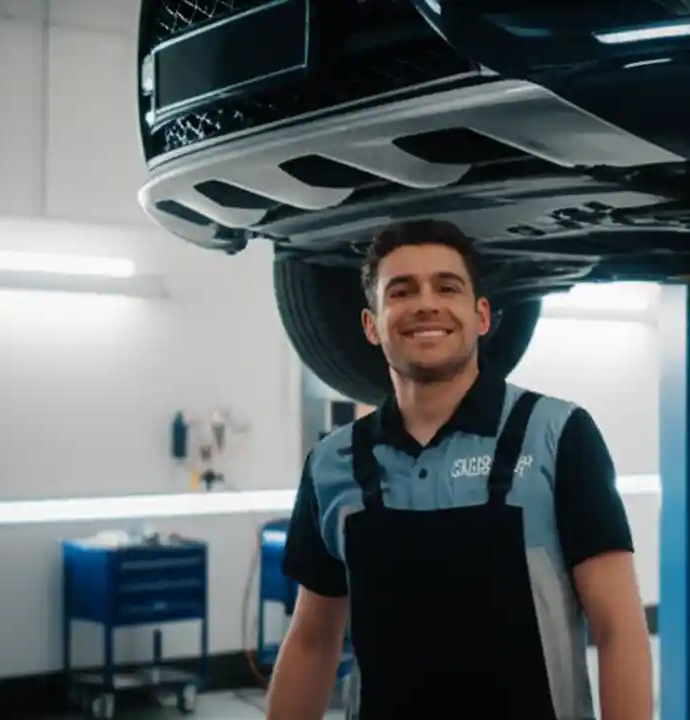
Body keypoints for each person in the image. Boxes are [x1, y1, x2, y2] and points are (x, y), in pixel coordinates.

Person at [265, 219, 653, 720]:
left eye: (447, 287)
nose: (426, 303)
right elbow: (313, 643)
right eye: (401, 291)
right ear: (371, 324)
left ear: (482, 315)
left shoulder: (557, 435)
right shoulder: (333, 462)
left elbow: (618, 627)